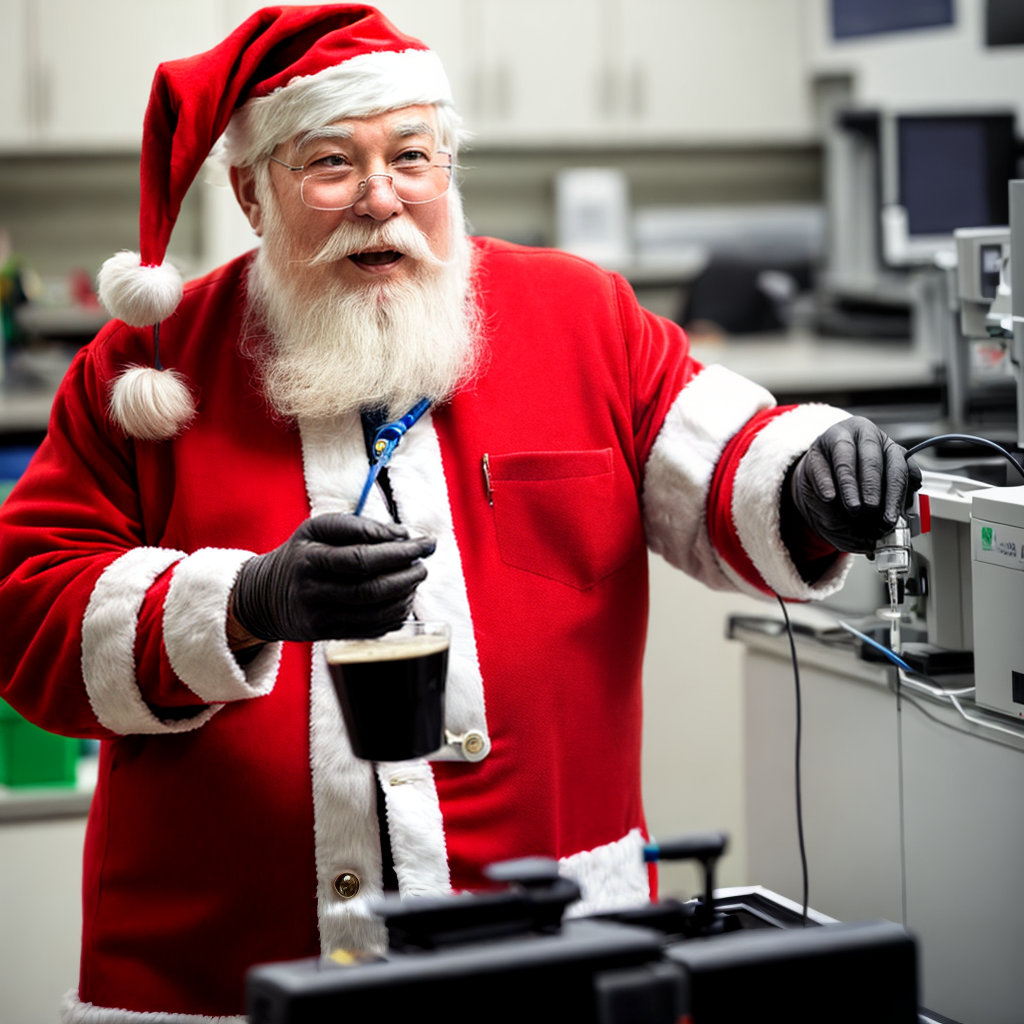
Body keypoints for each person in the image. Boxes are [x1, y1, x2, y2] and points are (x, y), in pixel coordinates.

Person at [0, 6, 917, 1022]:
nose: (380, 197)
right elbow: (25, 606)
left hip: (549, 939)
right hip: (227, 964)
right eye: (331, 163)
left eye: (412, 156)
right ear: (252, 194)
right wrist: (245, 601)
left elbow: (729, 466)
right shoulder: (146, 370)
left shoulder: (581, 316)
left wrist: (809, 478)